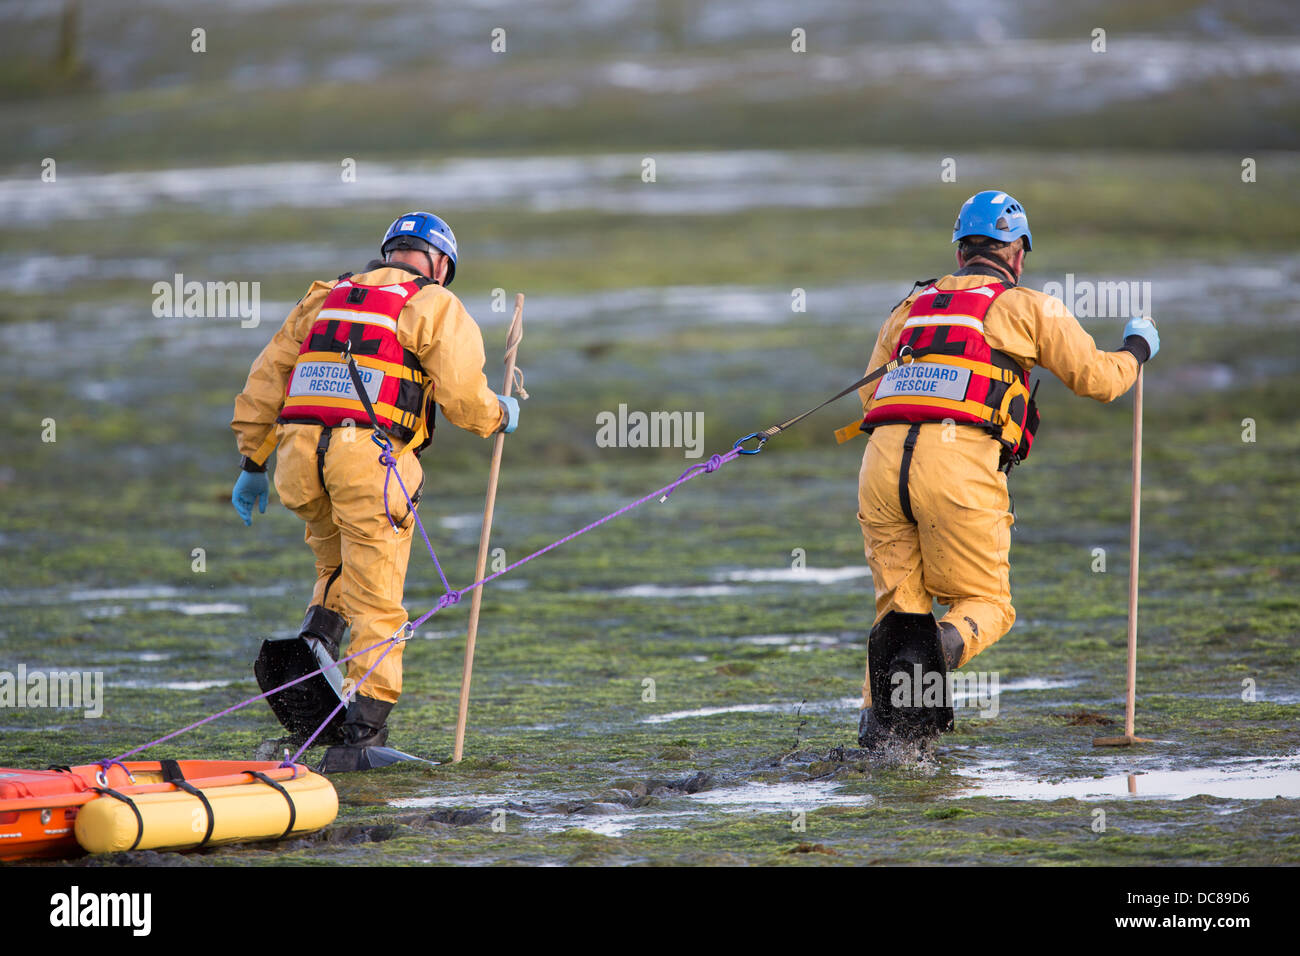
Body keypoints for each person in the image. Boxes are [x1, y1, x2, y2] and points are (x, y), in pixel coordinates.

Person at [852, 189, 1159, 747]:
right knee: (988, 605)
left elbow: (869, 401)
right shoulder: (1029, 307)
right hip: (957, 469)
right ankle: (937, 654)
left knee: (899, 613)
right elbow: (1099, 380)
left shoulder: (909, 307)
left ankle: (880, 737)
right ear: (1016, 252)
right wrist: (1137, 348)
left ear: (961, 250)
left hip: (879, 468)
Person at [230, 211, 520, 772]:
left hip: (297, 458)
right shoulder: (433, 303)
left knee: (334, 564)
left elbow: (267, 377)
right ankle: (360, 735)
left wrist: (252, 459)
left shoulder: (326, 295)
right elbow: (462, 396)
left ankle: (315, 645)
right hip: (369, 461)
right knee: (377, 594)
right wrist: (498, 414)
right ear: (439, 264)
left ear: (389, 251)